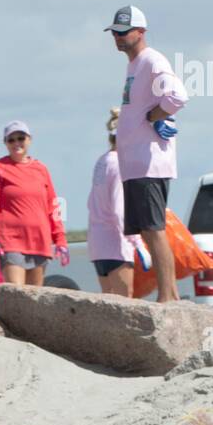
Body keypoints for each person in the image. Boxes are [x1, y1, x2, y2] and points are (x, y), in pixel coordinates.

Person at [106, 4, 187, 303]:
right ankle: (172, 295)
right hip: (136, 163)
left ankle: (167, 297)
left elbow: (178, 95)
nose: (119, 37)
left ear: (141, 32)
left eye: (124, 31)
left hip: (149, 161)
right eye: (115, 32)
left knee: (154, 230)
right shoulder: (134, 65)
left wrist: (156, 115)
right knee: (149, 230)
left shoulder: (152, 60)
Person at [0, 121, 68, 288]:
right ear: (5, 143)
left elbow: (53, 205)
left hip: (39, 239)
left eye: (21, 138)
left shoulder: (41, 168)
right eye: (11, 140)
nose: (17, 143)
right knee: (17, 293)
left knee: (34, 297)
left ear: (29, 140)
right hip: (11, 239)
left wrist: (61, 240)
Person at [88, 107, 140, 297]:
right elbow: (120, 210)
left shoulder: (102, 161)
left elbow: (93, 202)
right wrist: (137, 242)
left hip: (98, 244)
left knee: (107, 300)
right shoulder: (120, 164)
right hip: (116, 243)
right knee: (124, 300)